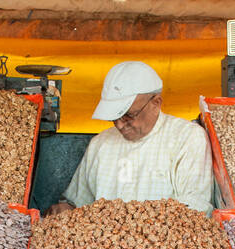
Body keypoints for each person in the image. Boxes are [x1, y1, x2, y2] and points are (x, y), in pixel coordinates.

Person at [49, 61, 214, 215]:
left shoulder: (187, 138)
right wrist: (66, 209)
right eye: (114, 117)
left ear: (156, 103)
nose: (120, 125)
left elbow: (196, 206)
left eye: (128, 115)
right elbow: (78, 203)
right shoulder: (100, 143)